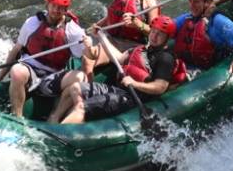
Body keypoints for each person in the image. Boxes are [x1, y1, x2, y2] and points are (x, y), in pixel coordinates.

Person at [48, 15, 186, 124]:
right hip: (120, 90)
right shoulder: (140, 49)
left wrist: (134, 83)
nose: (154, 36)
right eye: (153, 31)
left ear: (167, 38)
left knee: (82, 107)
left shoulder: (165, 58)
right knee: (74, 88)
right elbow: (118, 58)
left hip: (133, 98)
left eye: (160, 34)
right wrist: (101, 37)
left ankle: (60, 134)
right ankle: (53, 121)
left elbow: (160, 87)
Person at [0, 0, 87, 117]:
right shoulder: (32, 23)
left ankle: (55, 116)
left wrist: (89, 46)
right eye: (53, 6)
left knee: (81, 77)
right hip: (30, 71)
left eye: (61, 8)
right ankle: (18, 117)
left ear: (66, 10)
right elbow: (16, 50)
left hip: (54, 76)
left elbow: (87, 56)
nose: (56, 10)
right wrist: (0, 76)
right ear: (47, 4)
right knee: (17, 70)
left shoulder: (73, 30)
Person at [84, 0, 159, 78]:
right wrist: (97, 26)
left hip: (134, 45)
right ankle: (87, 89)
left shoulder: (149, 2)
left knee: (126, 69)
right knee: (88, 58)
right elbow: (111, 16)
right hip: (113, 41)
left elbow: (155, 32)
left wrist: (138, 24)